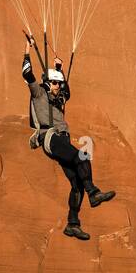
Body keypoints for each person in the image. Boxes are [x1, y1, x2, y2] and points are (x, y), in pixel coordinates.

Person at [22, 34, 115, 240]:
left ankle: (72, 224)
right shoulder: (38, 94)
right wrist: (27, 50)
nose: (58, 87)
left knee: (76, 184)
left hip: (62, 139)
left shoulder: (59, 98)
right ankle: (93, 193)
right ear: (47, 83)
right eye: (55, 84)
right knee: (81, 156)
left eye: (59, 84)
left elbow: (67, 92)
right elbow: (27, 74)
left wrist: (60, 68)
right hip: (49, 137)